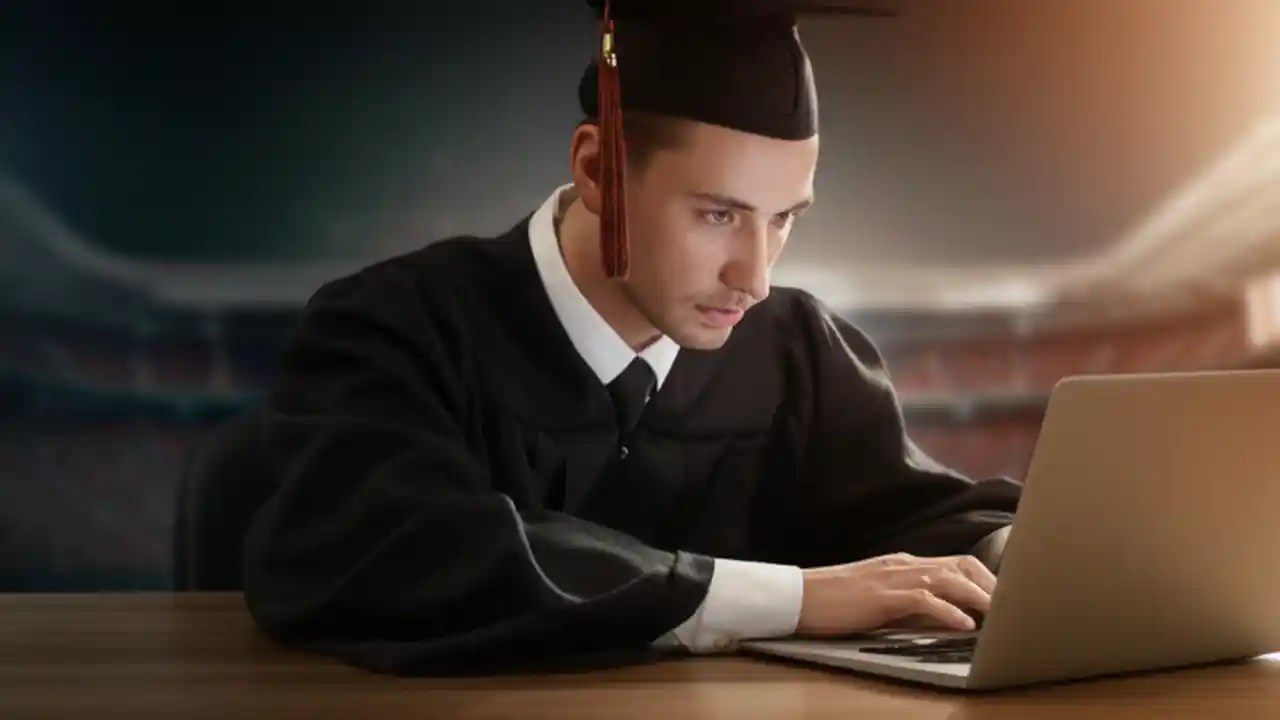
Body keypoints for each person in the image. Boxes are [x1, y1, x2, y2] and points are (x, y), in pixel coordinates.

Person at [241, 0, 1021, 675]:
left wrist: (1015, 554)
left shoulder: (795, 352)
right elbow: (411, 549)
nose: (753, 276)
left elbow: (908, 513)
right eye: (718, 214)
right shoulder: (392, 332)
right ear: (597, 169)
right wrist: (792, 599)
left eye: (782, 218)